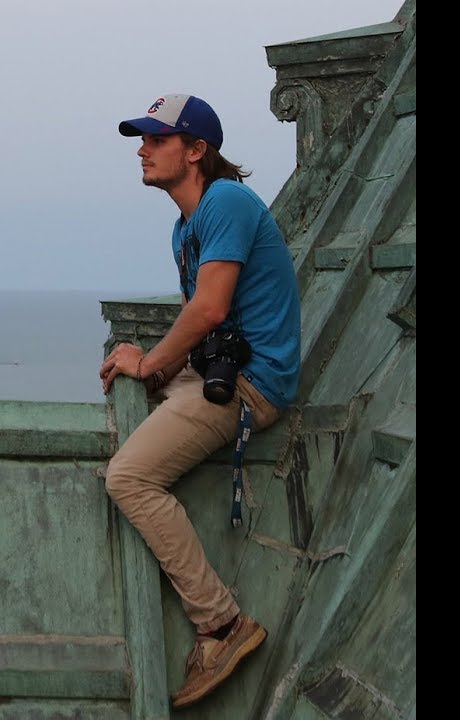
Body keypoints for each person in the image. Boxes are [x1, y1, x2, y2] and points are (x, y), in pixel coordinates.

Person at [98, 93, 302, 710]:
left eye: (157, 139)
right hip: (220, 371)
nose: (143, 149)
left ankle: (221, 625)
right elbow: (212, 323)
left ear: (196, 151)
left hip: (251, 385)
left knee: (128, 478)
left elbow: (210, 309)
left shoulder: (227, 203)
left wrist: (152, 360)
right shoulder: (187, 226)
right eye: (143, 139)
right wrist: (169, 368)